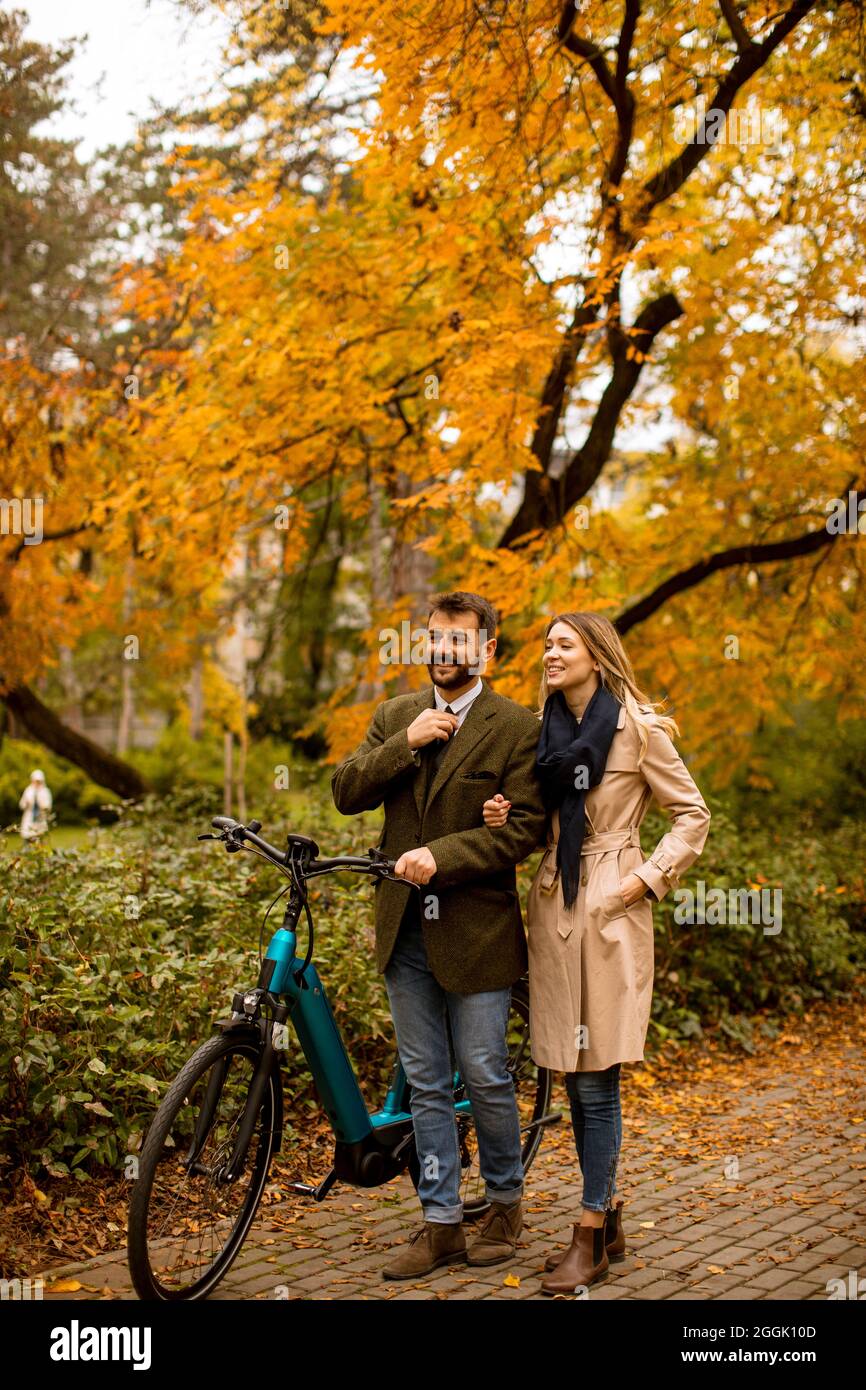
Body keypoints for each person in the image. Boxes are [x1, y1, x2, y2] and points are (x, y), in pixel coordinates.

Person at [482, 611, 711, 1294]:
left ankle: (589, 1233)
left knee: (595, 1074)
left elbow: (692, 814)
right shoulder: (544, 730)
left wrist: (645, 881)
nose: (549, 654)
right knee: (568, 1063)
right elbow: (539, 820)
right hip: (556, 900)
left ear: (596, 655)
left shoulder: (638, 729)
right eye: (546, 645)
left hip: (612, 901)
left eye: (563, 644)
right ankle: (606, 1216)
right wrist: (504, 816)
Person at [331, 591, 547, 1280]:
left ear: (487, 650)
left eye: (459, 639)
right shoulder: (395, 715)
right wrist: (407, 743)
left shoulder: (517, 727)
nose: (444, 650)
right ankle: (442, 1223)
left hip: (476, 932)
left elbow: (524, 829)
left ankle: (506, 1206)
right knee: (425, 1084)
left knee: (483, 1075)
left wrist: (442, 856)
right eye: (435, 637)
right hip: (403, 930)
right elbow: (346, 791)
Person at [19, 769, 53, 844]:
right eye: (35, 781)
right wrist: (26, 803)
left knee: (39, 841)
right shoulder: (28, 790)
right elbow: (21, 805)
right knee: (27, 840)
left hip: (40, 820)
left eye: (39, 781)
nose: (37, 783)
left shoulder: (45, 791)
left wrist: (42, 804)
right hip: (29, 819)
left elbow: (48, 807)